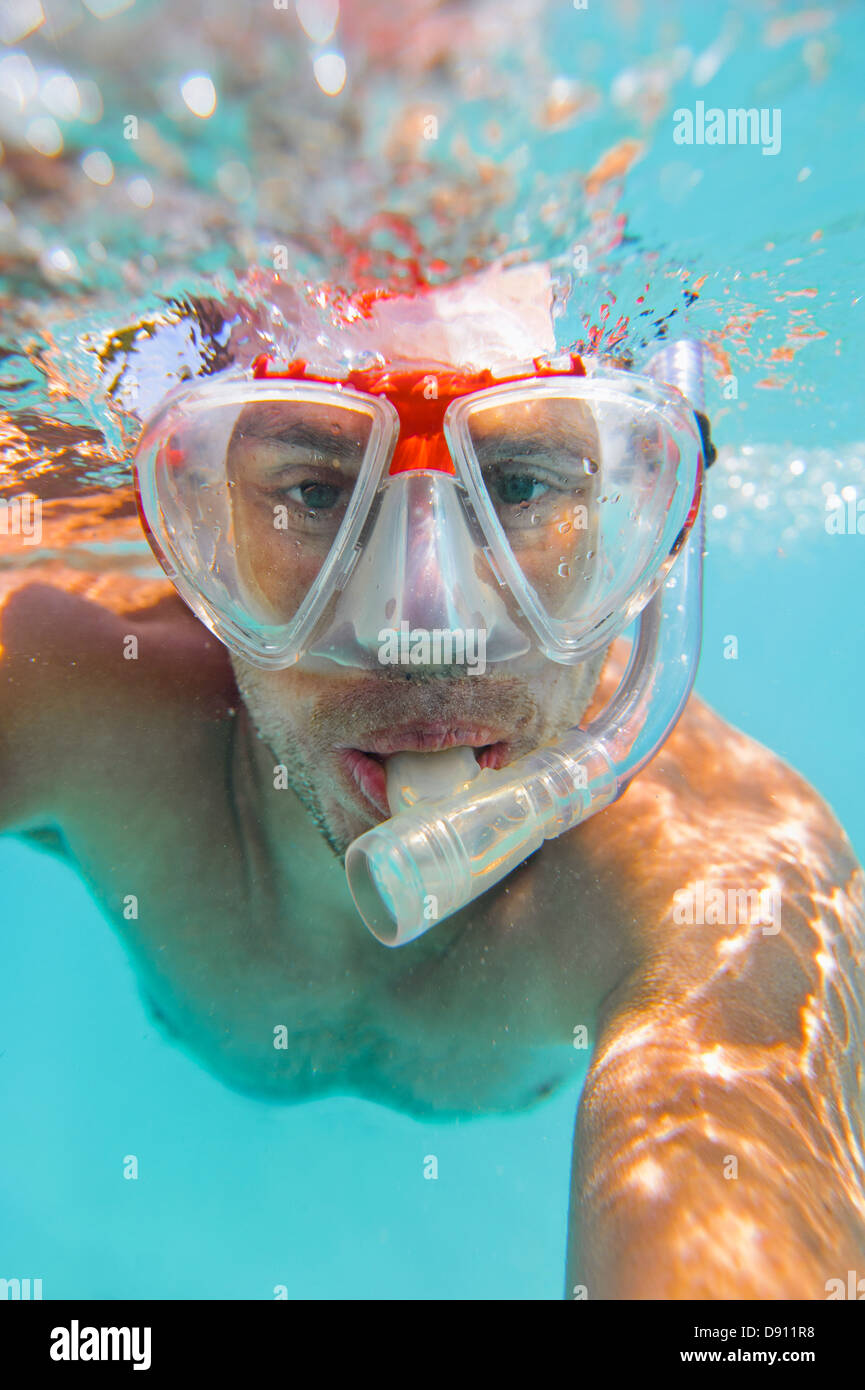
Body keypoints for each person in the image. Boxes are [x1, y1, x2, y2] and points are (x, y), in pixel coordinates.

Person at [1, 263, 863, 1300]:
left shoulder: (721, 883)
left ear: (648, 526)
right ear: (197, 526)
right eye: (314, 492)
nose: (420, 623)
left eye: (521, 486)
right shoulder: (79, 695)